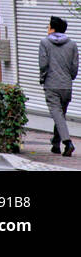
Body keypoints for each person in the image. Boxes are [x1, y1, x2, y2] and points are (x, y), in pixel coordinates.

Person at [40, 16, 78, 156]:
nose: (47, 28)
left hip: (51, 84)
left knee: (58, 115)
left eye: (48, 26)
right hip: (66, 85)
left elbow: (43, 64)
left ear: (52, 28)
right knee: (60, 115)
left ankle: (67, 143)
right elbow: (74, 67)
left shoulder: (44, 42)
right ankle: (55, 144)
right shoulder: (72, 44)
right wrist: (69, 78)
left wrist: (42, 78)